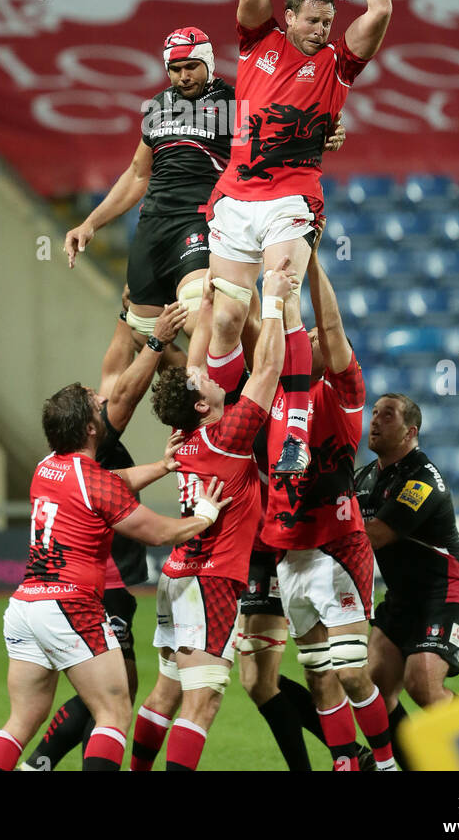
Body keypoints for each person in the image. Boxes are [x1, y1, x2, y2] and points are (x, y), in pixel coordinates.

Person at [191, 0, 392, 475]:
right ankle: (220, 414)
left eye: (329, 23)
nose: (323, 31)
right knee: (227, 318)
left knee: (279, 297)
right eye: (314, 22)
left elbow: (377, 13)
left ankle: (295, 433)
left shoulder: (337, 64)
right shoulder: (259, 41)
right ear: (292, 16)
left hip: (291, 198)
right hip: (235, 195)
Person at [0, 382, 230, 772]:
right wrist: (204, 517)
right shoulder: (93, 481)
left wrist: (163, 467)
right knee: (113, 712)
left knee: (21, 722)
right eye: (95, 403)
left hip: (25, 605)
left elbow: (110, 484)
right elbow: (158, 532)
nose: (102, 401)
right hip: (69, 605)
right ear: (91, 428)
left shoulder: (45, 467)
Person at [129, 264, 296, 771]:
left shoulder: (188, 439)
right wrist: (274, 301)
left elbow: (193, 370)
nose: (198, 367)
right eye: (200, 379)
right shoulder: (228, 435)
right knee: (204, 703)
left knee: (165, 695)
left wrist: (204, 312)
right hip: (212, 583)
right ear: (202, 404)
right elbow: (267, 370)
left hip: (177, 577)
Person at [20, 299, 188, 771]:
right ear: (91, 422)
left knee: (110, 692)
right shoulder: (100, 437)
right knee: (114, 696)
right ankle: (44, 760)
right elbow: (127, 395)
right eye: (92, 396)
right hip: (97, 582)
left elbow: (116, 363)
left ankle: (42, 760)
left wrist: (131, 309)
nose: (99, 392)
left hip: (56, 588)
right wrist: (155, 340)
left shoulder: (72, 451)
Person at [258, 230, 396, 771]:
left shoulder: (344, 393)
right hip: (289, 550)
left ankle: (383, 763)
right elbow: (265, 330)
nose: (314, 335)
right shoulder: (272, 390)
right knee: (318, 672)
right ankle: (344, 761)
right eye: (307, 334)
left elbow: (331, 325)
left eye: (318, 335)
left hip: (338, 545)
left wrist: (310, 257)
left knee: (350, 669)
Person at [64, 28, 237, 355]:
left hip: (198, 222)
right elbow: (137, 174)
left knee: (199, 316)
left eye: (191, 67)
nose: (183, 77)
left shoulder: (232, 102)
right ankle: (193, 393)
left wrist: (327, 131)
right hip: (152, 229)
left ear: (208, 63)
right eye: (175, 69)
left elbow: (277, 137)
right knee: (144, 337)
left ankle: (218, 393)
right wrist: (90, 223)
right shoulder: (158, 106)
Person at [354, 394, 459, 770]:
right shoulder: (365, 477)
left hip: (446, 593)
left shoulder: (423, 479)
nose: (374, 421)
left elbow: (374, 534)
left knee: (423, 683)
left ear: (410, 432)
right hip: (403, 598)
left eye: (386, 415)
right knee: (372, 686)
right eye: (373, 413)